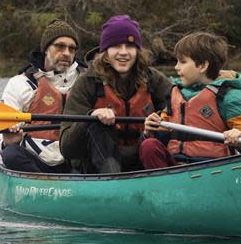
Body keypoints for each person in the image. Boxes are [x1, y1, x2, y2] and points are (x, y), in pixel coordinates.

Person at [59, 15, 173, 174]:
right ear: (105, 51)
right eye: (117, 46)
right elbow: (67, 148)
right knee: (99, 126)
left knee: (153, 142)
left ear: (137, 51)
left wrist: (157, 123)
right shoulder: (87, 83)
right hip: (99, 165)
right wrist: (91, 116)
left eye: (130, 46)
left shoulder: (154, 80)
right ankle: (113, 182)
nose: (124, 53)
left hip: (141, 157)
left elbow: (181, 111)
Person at [139, 31, 241, 169]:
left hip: (214, 169)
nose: (176, 67)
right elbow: (162, 137)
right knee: (149, 146)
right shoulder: (175, 94)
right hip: (176, 168)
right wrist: (149, 132)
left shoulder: (229, 96)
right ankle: (162, 188)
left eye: (182, 62)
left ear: (202, 66)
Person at [0, 19, 83, 173]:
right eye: (59, 46)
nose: (66, 53)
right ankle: (45, 186)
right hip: (37, 163)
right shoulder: (20, 84)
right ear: (46, 49)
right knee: (11, 154)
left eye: (72, 49)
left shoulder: (86, 81)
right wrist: (6, 142)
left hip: (75, 162)